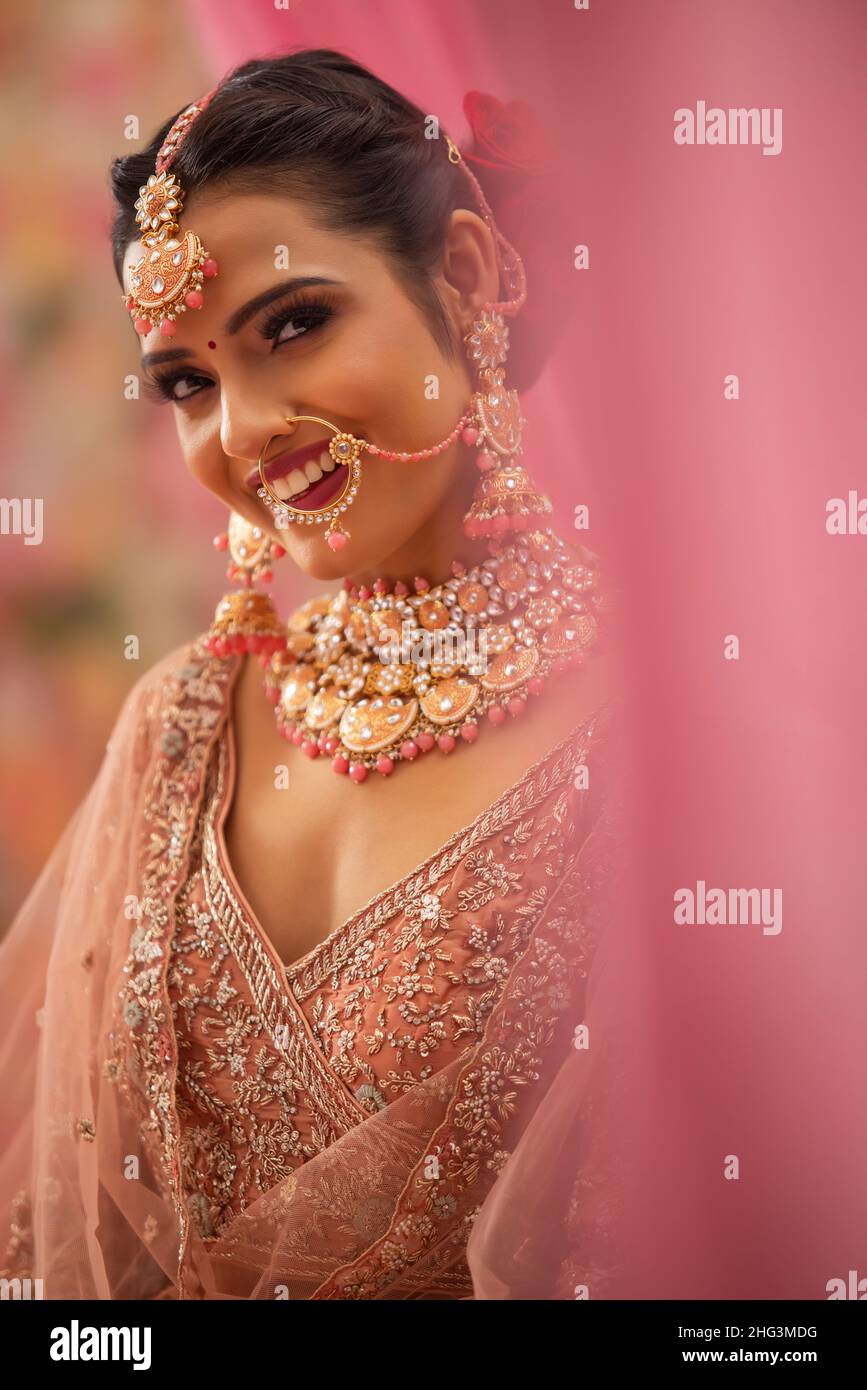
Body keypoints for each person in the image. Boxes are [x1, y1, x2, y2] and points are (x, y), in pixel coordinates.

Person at [0, 48, 617, 1300]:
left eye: (294, 324)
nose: (243, 431)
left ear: (465, 276)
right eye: (189, 382)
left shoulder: (654, 742)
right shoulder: (180, 717)